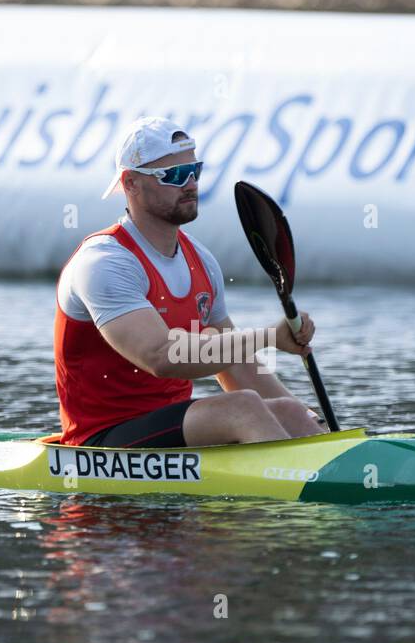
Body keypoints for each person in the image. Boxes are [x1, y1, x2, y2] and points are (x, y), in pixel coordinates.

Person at [54, 116, 325, 448]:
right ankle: (301, 489)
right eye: (174, 175)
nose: (191, 184)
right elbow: (161, 357)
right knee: (242, 408)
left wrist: (310, 419)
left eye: (194, 171)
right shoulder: (105, 262)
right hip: (102, 438)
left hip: (172, 426)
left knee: (289, 411)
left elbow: (237, 363)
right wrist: (269, 336)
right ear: (131, 183)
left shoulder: (202, 261)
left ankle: (330, 464)